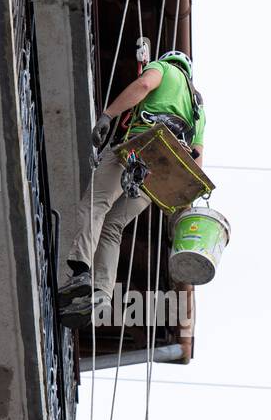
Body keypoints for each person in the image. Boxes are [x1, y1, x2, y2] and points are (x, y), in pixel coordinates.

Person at [58, 51, 206, 327]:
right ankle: (101, 293)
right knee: (114, 226)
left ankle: (80, 270)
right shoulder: (198, 109)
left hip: (140, 146)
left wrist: (107, 115)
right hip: (162, 172)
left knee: (96, 203)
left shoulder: (164, 68)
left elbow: (144, 85)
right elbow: (197, 158)